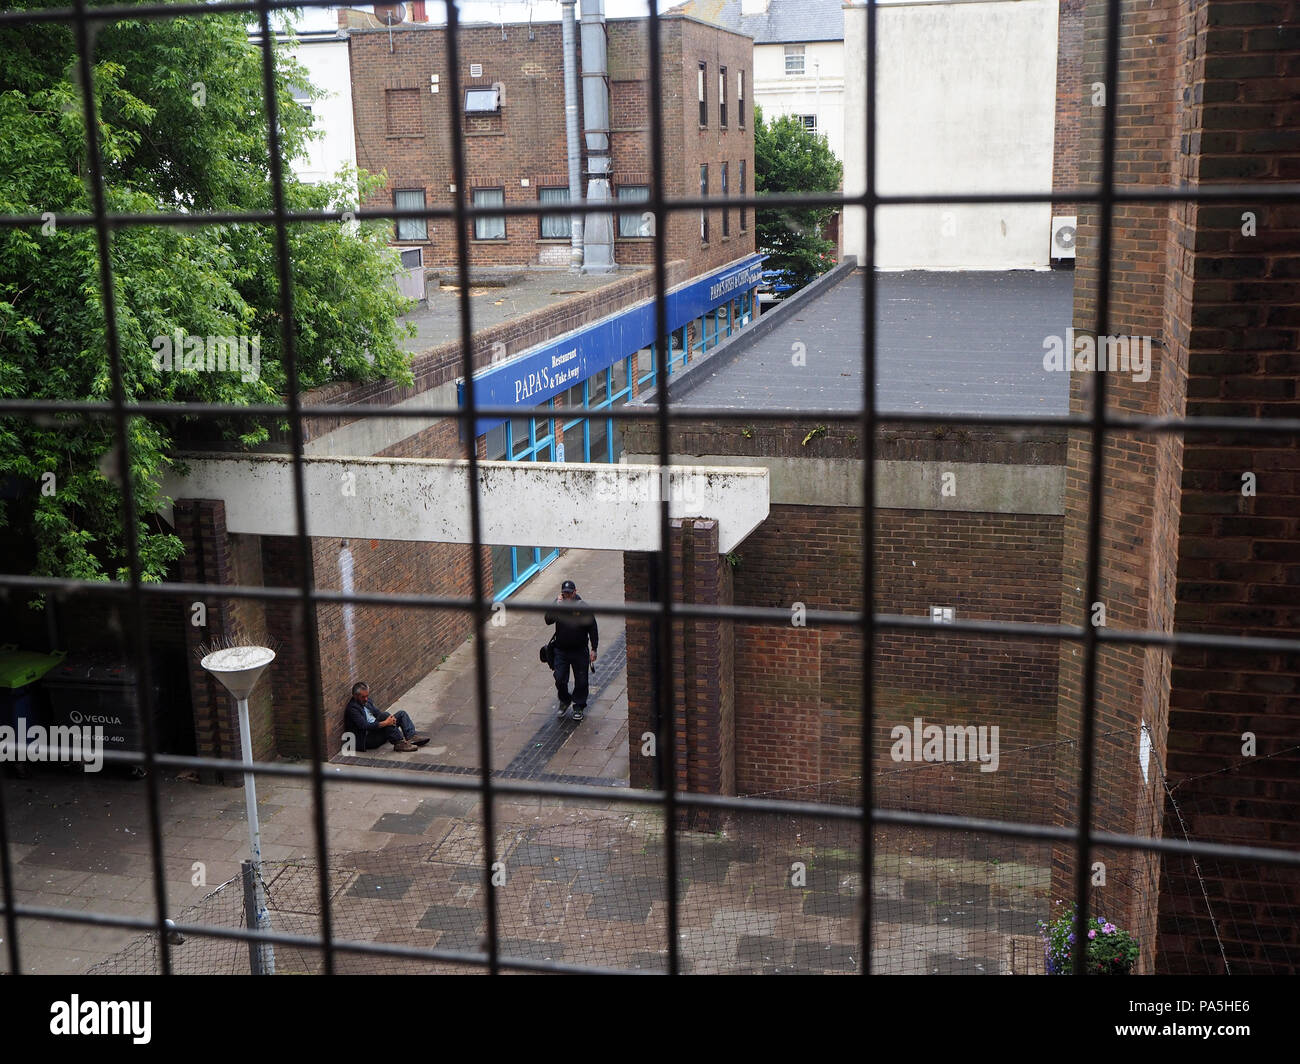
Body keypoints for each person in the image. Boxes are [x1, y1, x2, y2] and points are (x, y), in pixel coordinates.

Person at [544, 579, 598, 722]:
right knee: (559, 678)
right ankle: (565, 700)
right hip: (561, 650)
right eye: (564, 593)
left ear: (575, 592)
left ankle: (579, 706)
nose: (567, 596)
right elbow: (548, 620)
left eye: (569, 593)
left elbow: (592, 627)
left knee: (581, 681)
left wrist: (594, 648)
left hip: (579, 651)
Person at [342, 682, 431, 753]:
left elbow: (378, 713)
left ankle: (411, 736)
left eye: (367, 696)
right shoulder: (352, 709)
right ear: (355, 696)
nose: (366, 699)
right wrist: (386, 723)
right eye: (363, 697)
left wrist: (391, 719)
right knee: (385, 716)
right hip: (368, 739)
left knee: (401, 714)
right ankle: (399, 744)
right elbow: (364, 726)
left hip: (378, 731)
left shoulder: (367, 702)